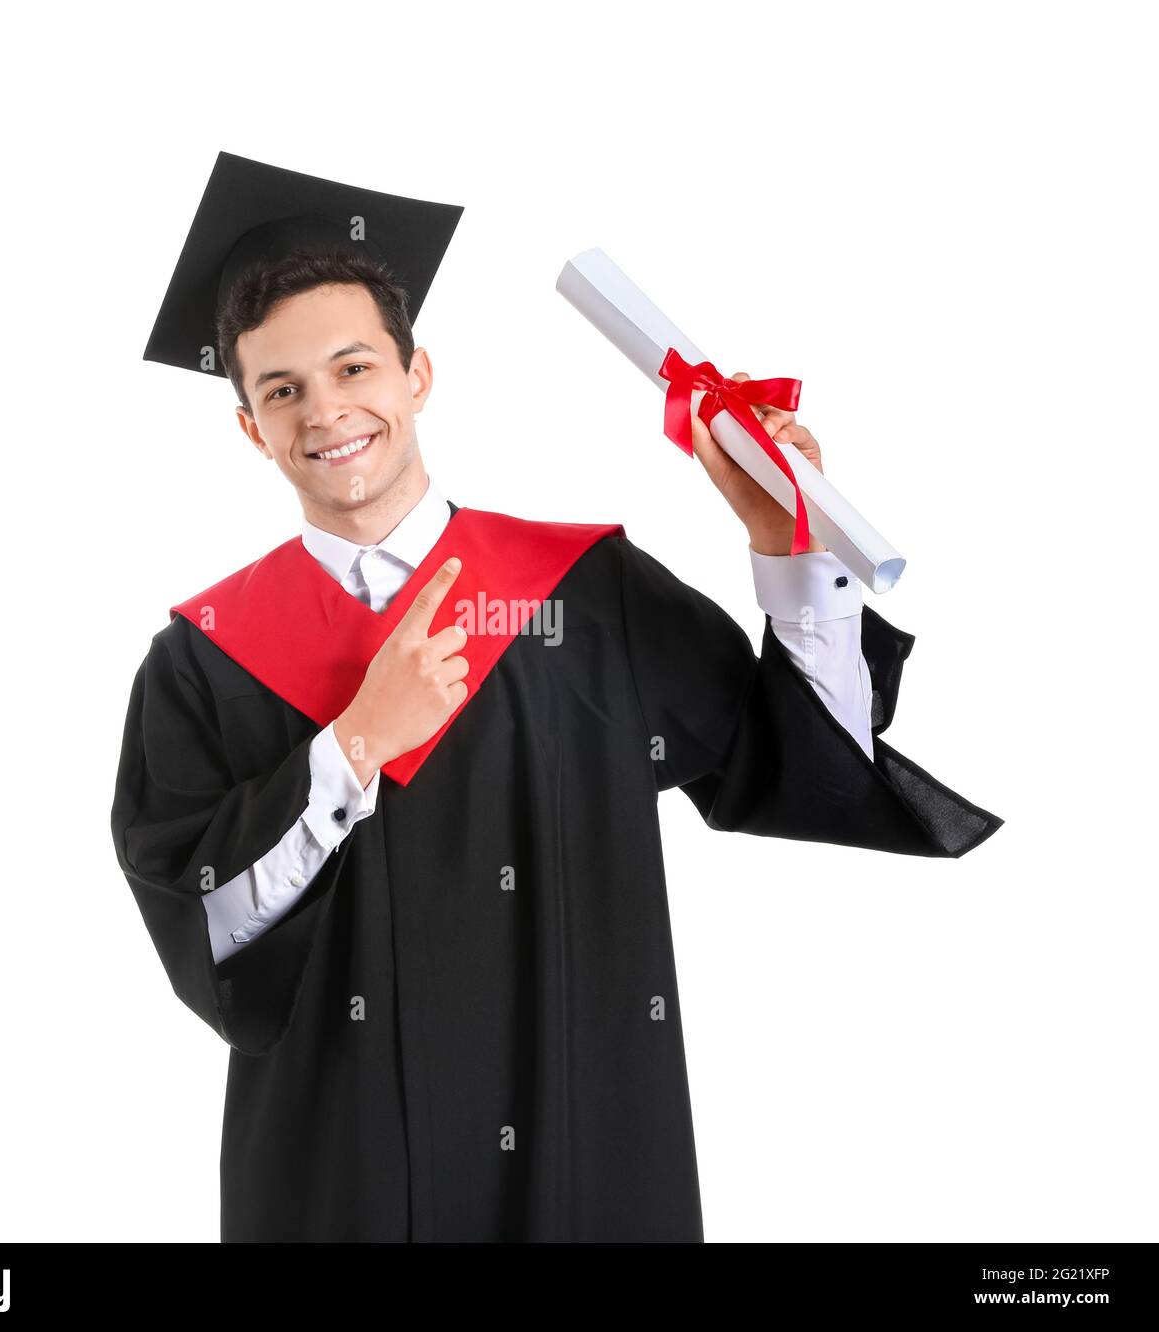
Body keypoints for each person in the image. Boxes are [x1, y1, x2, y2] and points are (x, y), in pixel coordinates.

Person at [111, 152, 1002, 1242]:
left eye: (353, 369)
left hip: (582, 1150)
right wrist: (349, 750)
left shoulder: (585, 591)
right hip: (338, 1176)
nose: (325, 412)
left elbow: (798, 763)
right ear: (251, 423)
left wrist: (786, 556)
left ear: (415, 376)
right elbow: (205, 933)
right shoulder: (202, 660)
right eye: (282, 389)